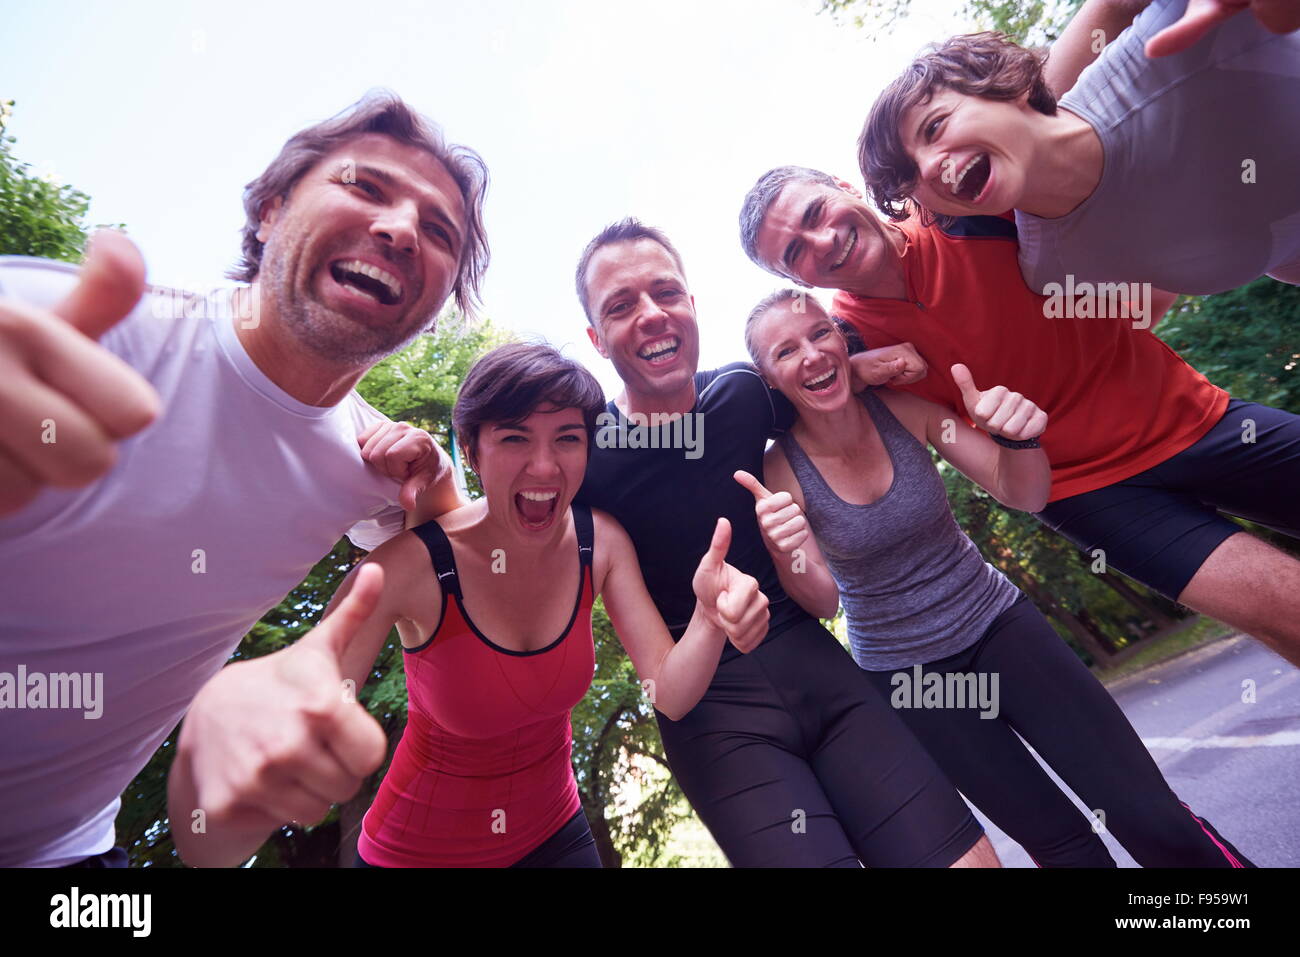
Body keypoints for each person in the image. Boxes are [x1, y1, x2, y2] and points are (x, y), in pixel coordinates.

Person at [0, 90, 486, 867]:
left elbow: (454, 551)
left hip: (70, 858)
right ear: (269, 208)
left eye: (438, 231)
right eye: (363, 187)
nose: (399, 228)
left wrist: (431, 482)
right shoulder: (69, 327)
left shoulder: (372, 458)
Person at [167, 342, 768, 868]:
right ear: (471, 451)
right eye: (514, 438)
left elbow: (668, 690)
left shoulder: (599, 541)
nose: (544, 465)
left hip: (556, 834)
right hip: (414, 852)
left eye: (568, 438)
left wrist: (710, 621)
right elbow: (301, 725)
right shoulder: (409, 566)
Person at [741, 289, 1253, 867]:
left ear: (840, 339)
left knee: (1146, 811)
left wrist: (1019, 440)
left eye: (818, 334)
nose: (810, 355)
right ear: (769, 378)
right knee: (1061, 846)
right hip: (908, 676)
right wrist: (789, 556)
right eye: (786, 351)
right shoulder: (780, 470)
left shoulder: (907, 411)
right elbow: (823, 601)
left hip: (998, 627)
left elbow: (1020, 490)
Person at [739, 163, 1300, 670]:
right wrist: (857, 368)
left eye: (816, 214)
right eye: (793, 253)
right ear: (797, 281)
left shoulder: (960, 207)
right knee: (1285, 610)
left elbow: (1069, 152)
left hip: (1188, 416)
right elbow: (776, 402)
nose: (822, 241)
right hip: (1087, 492)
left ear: (844, 185)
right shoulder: (842, 341)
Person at [566, 218, 1000, 867]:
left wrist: (865, 363)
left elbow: (815, 386)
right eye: (621, 306)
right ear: (597, 340)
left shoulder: (741, 393)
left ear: (691, 305)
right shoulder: (587, 458)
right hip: (714, 721)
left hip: (819, 670)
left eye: (666, 293)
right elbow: (512, 508)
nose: (652, 315)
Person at [859, 2, 1300, 294]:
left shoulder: (1168, 39)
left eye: (934, 127)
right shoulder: (1053, 269)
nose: (931, 167)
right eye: (910, 177)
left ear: (1000, 86)